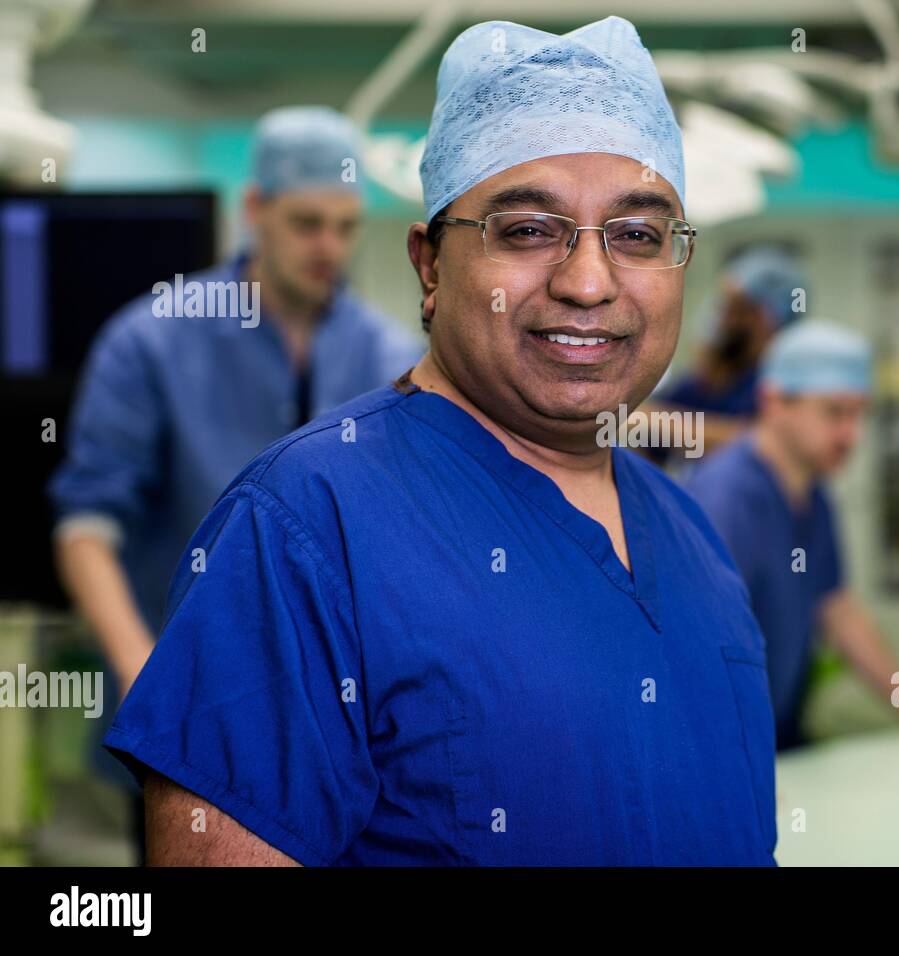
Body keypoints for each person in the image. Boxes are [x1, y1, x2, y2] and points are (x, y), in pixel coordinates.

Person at [102, 16, 778, 866]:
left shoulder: (696, 544)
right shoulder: (303, 532)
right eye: (527, 229)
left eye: (637, 235)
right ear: (430, 266)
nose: (589, 281)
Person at [47, 105, 423, 859]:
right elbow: (87, 526)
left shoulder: (392, 355)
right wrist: (143, 671)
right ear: (255, 210)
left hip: (349, 742)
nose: (329, 247)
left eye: (346, 227)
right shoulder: (152, 340)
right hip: (183, 723)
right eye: (307, 223)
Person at [685, 320, 899, 751]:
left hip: (779, 741)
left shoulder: (811, 495)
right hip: (722, 751)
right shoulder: (727, 500)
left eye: (859, 414)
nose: (852, 434)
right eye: (835, 412)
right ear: (774, 402)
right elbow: (693, 648)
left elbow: (836, 610)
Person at [649, 245, 807, 452]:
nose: (725, 320)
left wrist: (647, 424)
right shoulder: (720, 374)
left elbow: (761, 442)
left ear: (768, 318)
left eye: (738, 309)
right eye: (726, 307)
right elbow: (663, 411)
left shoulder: (788, 382)